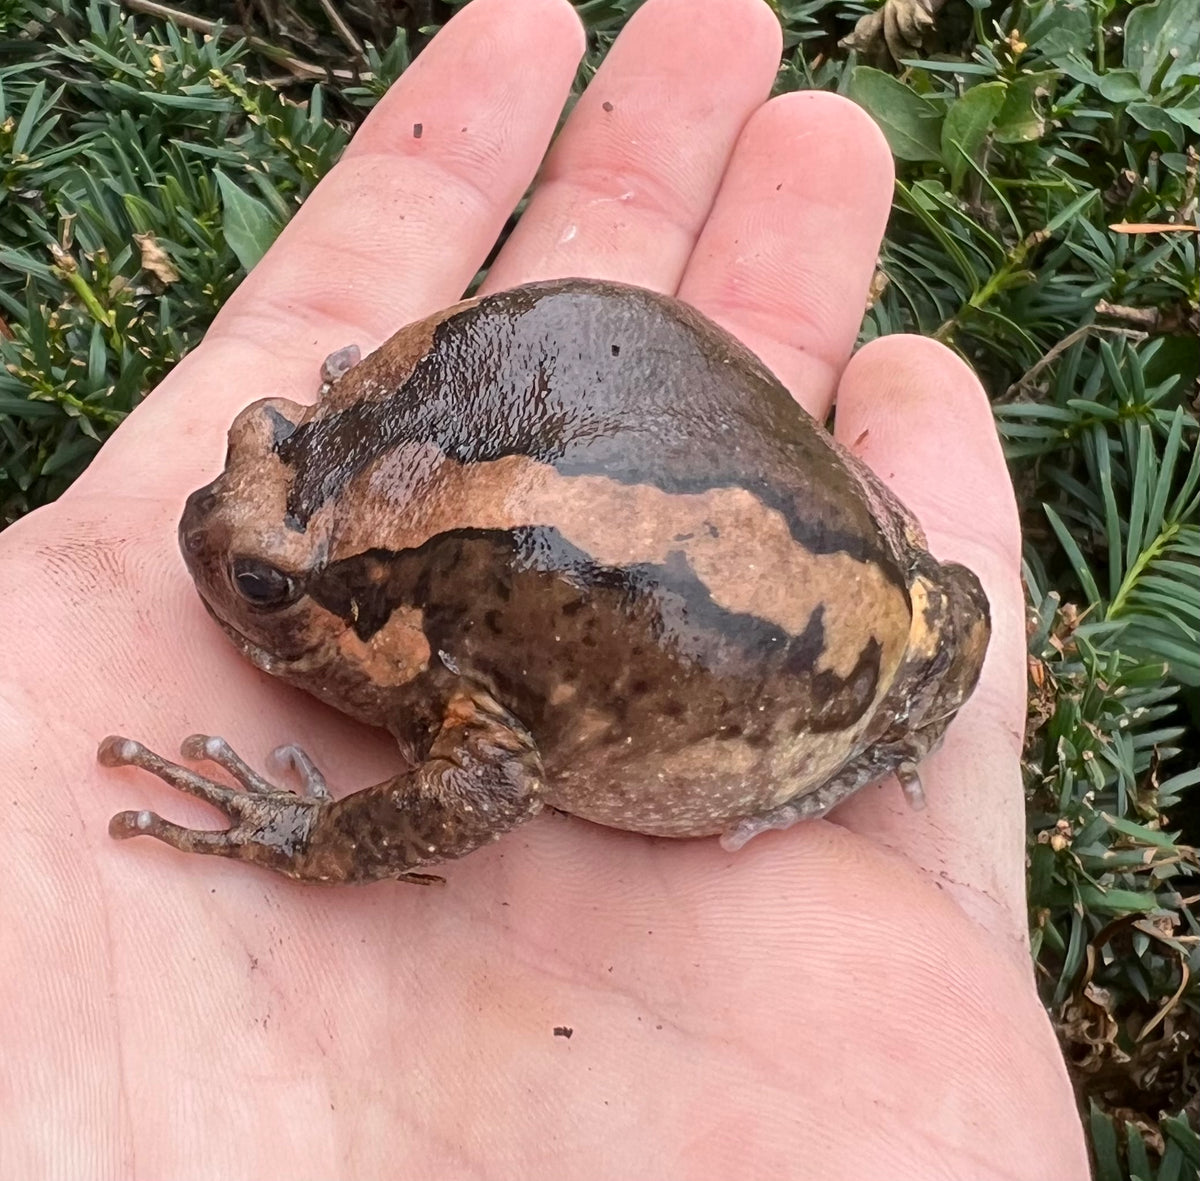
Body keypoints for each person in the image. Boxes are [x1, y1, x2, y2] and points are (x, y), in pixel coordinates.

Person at [0, 0, 1090, 1175]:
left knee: (917, 623)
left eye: (266, 584)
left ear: (386, 617)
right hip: (709, 477)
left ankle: (867, 726)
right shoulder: (406, 506)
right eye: (270, 441)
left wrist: (306, 834)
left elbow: (483, 787)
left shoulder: (454, 644)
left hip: (824, 652)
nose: (210, 538)